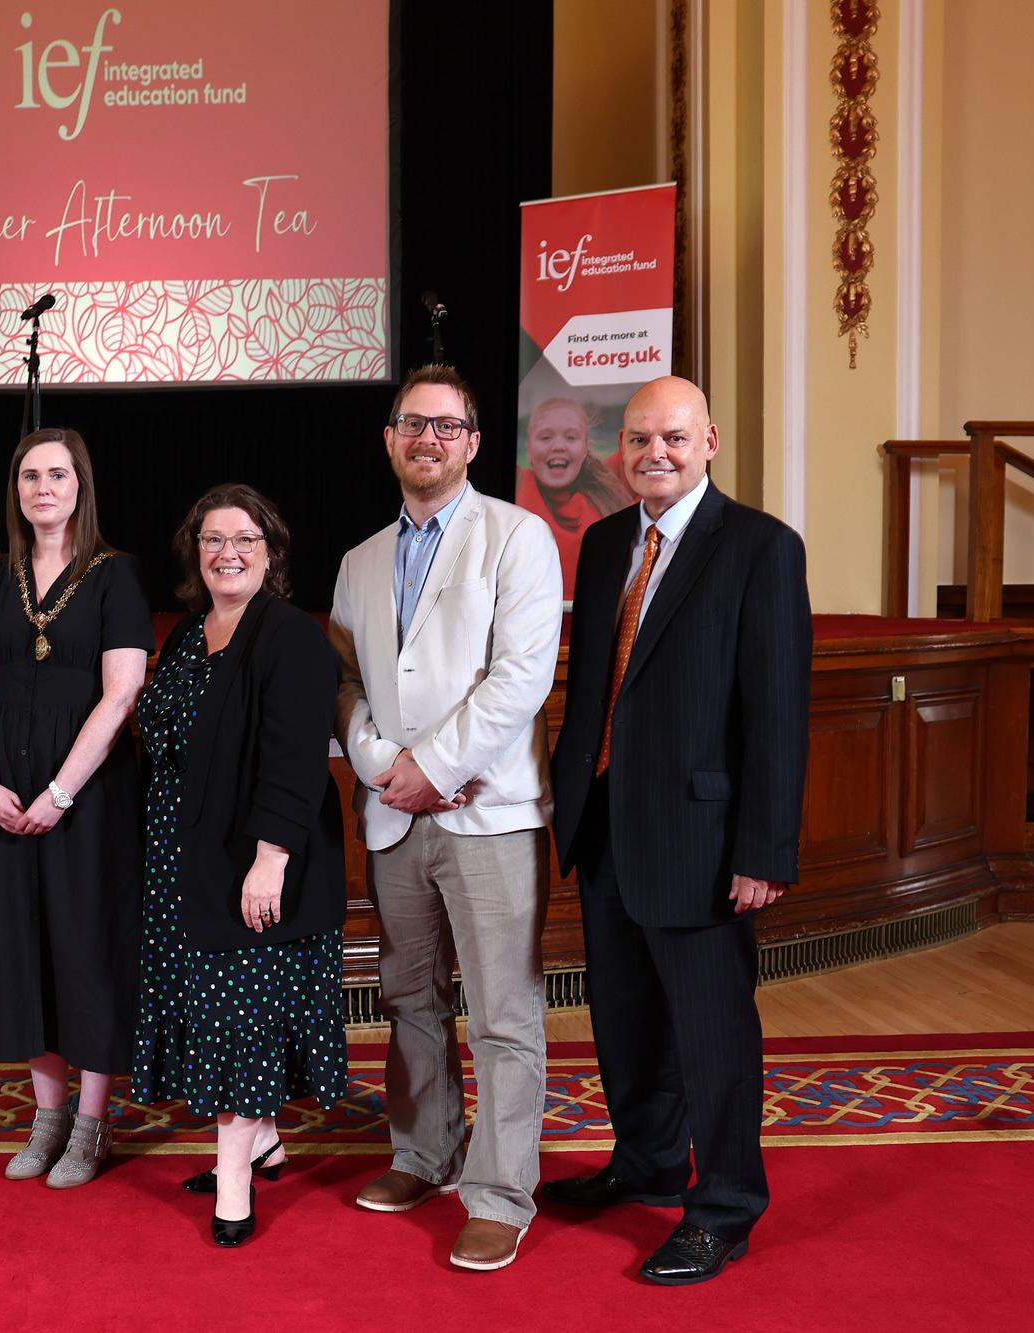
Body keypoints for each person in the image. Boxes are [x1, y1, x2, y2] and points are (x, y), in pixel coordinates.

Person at [544, 375, 811, 1286]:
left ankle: (726, 1205)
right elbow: (592, 690)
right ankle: (649, 1159)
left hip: (703, 839)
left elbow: (777, 711)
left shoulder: (761, 548)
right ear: (621, 451)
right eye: (641, 439)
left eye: (675, 438)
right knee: (624, 1017)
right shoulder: (609, 539)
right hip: (609, 823)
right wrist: (568, 794)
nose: (656, 453)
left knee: (712, 1034)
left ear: (712, 442)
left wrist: (764, 851)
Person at [329, 363, 564, 1273]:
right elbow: (350, 683)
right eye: (411, 424)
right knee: (409, 997)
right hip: (396, 812)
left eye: (446, 427)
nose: (427, 439)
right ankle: (426, 1153)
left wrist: (437, 765)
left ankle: (501, 1193)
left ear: (471, 443)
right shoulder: (359, 561)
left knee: (503, 1011)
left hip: (487, 811)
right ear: (390, 440)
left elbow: (521, 677)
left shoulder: (518, 537)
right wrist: (391, 769)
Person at [132, 484, 350, 1249]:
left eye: (245, 539)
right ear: (196, 554)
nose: (228, 551)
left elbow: (294, 760)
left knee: (242, 1020)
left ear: (271, 552)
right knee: (220, 1016)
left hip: (255, 861)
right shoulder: (189, 636)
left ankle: (232, 1181)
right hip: (184, 863)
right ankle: (262, 1142)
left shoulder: (289, 637)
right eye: (213, 538)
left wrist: (270, 859)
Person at [0, 427, 154, 1188]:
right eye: (29, 474)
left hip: (88, 802)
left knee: (85, 949)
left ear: (80, 485)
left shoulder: (115, 576)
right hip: (1, 798)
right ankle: (48, 1116)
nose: (42, 487)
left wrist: (61, 791)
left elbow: (123, 691)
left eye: (57, 474)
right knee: (23, 951)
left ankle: (93, 1124)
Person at [514, 396, 634, 599]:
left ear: (585, 448)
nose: (558, 446)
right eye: (545, 437)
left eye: (571, 437)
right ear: (528, 449)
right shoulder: (518, 483)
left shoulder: (612, 490)